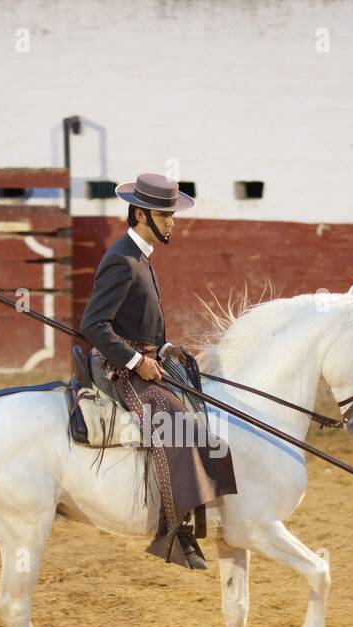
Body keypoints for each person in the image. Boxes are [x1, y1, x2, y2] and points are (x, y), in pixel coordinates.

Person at [78, 172, 237, 570]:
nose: (172, 222)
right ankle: (173, 529)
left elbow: (136, 319)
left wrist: (163, 348)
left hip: (147, 360)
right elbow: (94, 326)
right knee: (177, 420)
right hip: (120, 370)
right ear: (139, 214)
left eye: (171, 216)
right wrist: (137, 362)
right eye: (165, 216)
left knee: (200, 403)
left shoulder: (141, 257)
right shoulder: (121, 259)